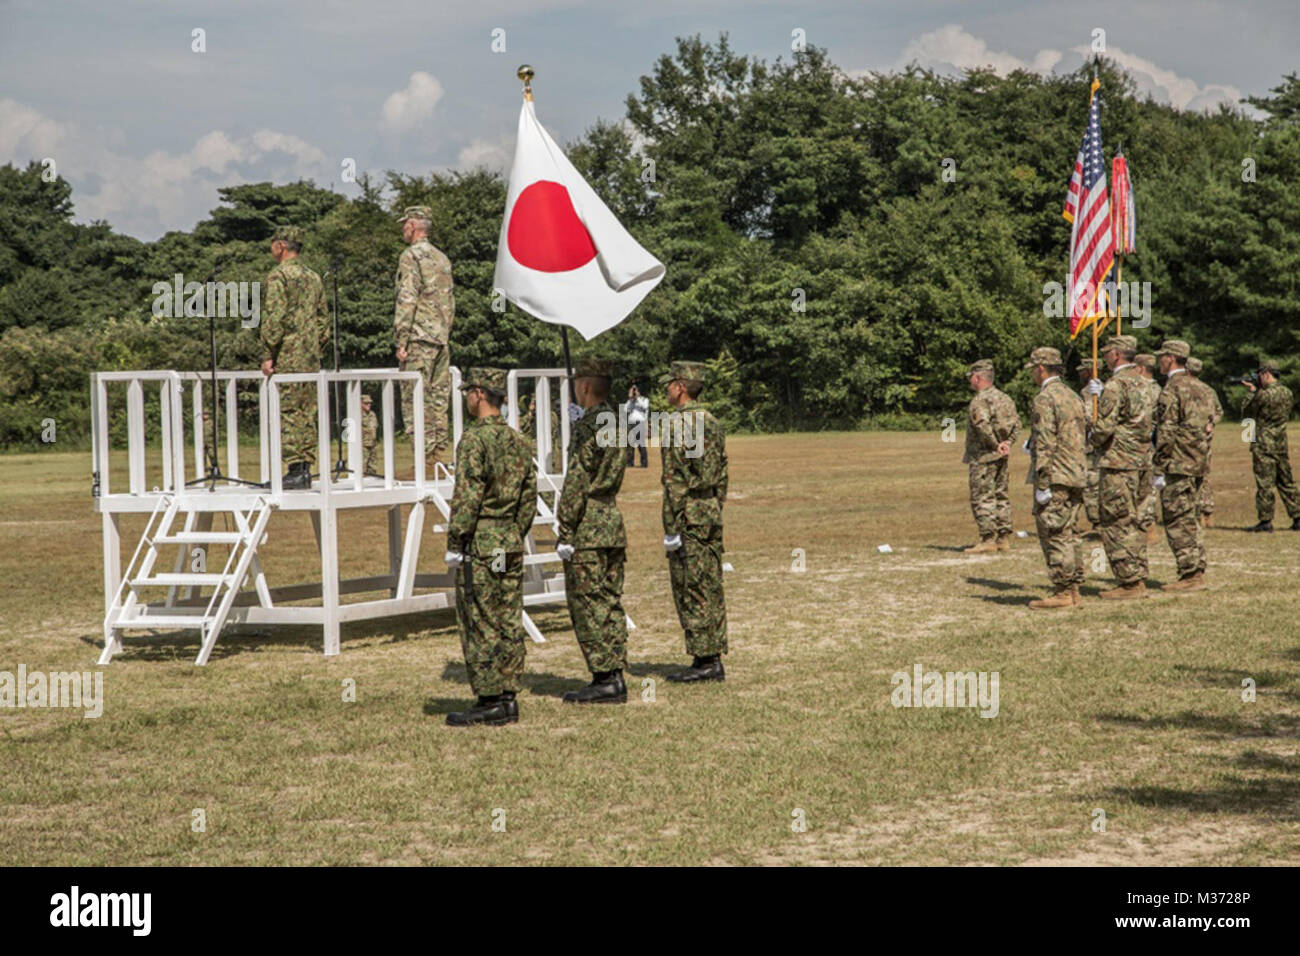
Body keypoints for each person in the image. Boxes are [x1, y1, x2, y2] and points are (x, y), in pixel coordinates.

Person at [443, 368, 538, 727]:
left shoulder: (474, 440)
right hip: (507, 543)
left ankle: (488, 698)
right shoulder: (518, 440)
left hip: (482, 543)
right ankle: (508, 695)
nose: (466, 397)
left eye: (469, 391)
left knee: (481, 618)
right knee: (507, 616)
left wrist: (456, 541)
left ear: (480, 394)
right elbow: (529, 496)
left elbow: (467, 497)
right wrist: (514, 531)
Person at [555, 360, 630, 704]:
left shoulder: (589, 426)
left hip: (588, 525)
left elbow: (577, 481)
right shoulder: (615, 421)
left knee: (587, 602)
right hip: (611, 522)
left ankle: (604, 677)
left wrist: (564, 528)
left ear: (584, 387)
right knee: (609, 600)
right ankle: (614, 671)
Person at [660, 360, 729, 681]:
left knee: (691, 586)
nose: (667, 389)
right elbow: (723, 471)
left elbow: (674, 480)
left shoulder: (677, 424)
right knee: (710, 583)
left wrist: (671, 527)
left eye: (670, 383)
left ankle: (706, 660)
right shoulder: (711, 422)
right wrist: (715, 505)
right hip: (709, 510)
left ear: (681, 387)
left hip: (687, 513)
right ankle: (711, 651)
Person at [259, 225, 330, 489]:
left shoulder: (278, 277)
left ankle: (294, 469)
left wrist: (268, 352)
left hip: (288, 354)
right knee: (306, 410)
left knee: (289, 411)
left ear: (281, 246)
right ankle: (305, 469)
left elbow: (274, 318)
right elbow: (324, 320)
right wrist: (314, 346)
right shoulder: (313, 277)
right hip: (310, 356)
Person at [1023, 347, 1087, 609]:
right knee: (1071, 533)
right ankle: (1073, 589)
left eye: (1034, 370)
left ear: (1041, 368)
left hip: (1056, 474)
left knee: (1054, 533)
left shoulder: (1045, 398)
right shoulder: (1072, 394)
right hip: (1076, 473)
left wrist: (1043, 482)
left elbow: (1045, 442)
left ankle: (1063, 591)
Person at [1089, 335, 1152, 599]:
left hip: (1118, 463)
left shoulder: (1115, 385)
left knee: (1116, 521)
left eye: (1106, 353)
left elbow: (1104, 427)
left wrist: (1091, 438)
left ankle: (1130, 582)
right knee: (1135, 520)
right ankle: (1138, 575)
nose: (1104, 357)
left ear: (1116, 354)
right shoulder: (1144, 382)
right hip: (1141, 460)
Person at [394, 205, 455, 472]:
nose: (402, 229)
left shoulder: (410, 257)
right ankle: (440, 454)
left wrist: (402, 339)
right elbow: (450, 301)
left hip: (419, 337)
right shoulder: (442, 259)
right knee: (439, 398)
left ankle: (424, 460)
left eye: (405, 224)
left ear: (414, 226)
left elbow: (407, 298)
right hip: (441, 338)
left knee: (415, 399)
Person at [1153, 340, 1212, 590]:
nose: (1159, 361)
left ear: (1171, 358)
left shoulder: (1171, 388)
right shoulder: (1200, 388)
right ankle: (1196, 568)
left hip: (1177, 462)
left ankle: (1190, 575)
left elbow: (1167, 429)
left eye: (1162, 357)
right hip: (1197, 460)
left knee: (1178, 518)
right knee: (1191, 517)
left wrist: (1159, 462)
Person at [961, 359, 1021, 553]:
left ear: (978, 378)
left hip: (984, 456)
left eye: (971, 377)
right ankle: (1003, 537)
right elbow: (1017, 424)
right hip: (1002, 456)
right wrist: (1007, 443)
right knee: (1001, 495)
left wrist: (996, 445)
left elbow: (982, 425)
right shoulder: (1005, 398)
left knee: (982, 496)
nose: (970, 381)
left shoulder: (980, 400)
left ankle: (988, 539)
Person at [1238, 358, 1300, 532]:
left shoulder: (1262, 395)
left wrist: (1251, 392)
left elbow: (1247, 413)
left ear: (1266, 374)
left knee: (1265, 483)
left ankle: (1266, 521)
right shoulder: (1287, 392)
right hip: (1280, 442)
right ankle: (1297, 516)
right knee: (1286, 481)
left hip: (1264, 443)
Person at [1185, 357, 1223, 526]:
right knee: (1204, 474)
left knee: (1188, 475)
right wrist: (1211, 422)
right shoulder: (1209, 390)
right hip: (1203, 439)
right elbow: (1219, 412)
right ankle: (1206, 510)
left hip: (1188, 439)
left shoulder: (1182, 389)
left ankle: (1196, 512)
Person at [1134, 353, 1162, 539]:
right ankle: (1147, 523)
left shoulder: (1140, 389)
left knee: (1140, 487)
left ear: (1141, 368)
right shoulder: (1160, 389)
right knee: (1148, 487)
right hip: (1154, 442)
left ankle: (1145, 526)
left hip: (1139, 442)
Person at [1074, 361, 1103, 534]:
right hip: (1085, 445)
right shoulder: (1084, 391)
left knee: (1092, 486)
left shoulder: (1095, 392)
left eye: (1083, 371)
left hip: (1093, 445)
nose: (1080, 375)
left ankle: (1097, 522)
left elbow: (1089, 418)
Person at [625, 384, 650, 468]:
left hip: (640, 422)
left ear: (639, 391)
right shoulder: (630, 401)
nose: (634, 392)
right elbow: (625, 409)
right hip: (631, 423)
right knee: (630, 444)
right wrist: (630, 398)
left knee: (640, 443)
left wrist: (638, 398)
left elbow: (644, 407)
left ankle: (644, 463)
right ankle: (630, 462)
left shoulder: (644, 399)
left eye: (635, 390)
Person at [360, 393, 379, 476]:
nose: (369, 405)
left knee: (373, 467)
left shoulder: (372, 414)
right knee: (362, 467)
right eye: (366, 403)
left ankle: (372, 480)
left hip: (373, 444)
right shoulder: (357, 415)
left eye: (370, 403)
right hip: (363, 445)